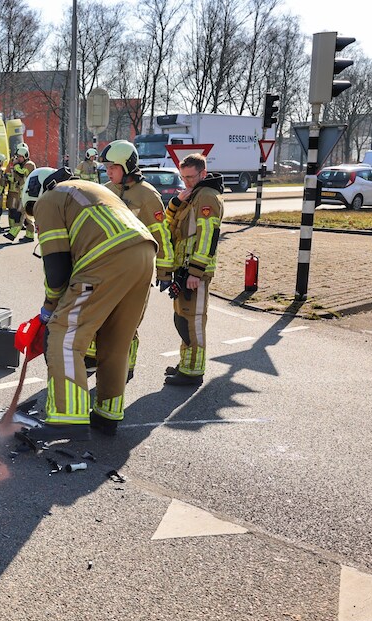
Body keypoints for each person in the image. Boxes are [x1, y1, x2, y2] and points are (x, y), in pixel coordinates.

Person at [23, 166, 157, 435]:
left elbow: (57, 267)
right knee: (116, 340)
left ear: (36, 191)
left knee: (64, 332)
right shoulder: (91, 189)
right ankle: (107, 415)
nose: (36, 220)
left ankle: (68, 418)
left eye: (32, 210)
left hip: (107, 257)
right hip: (143, 254)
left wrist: (50, 309)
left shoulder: (50, 198)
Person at [82, 140, 176, 379]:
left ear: (128, 166)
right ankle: (92, 358)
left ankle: (126, 367)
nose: (108, 171)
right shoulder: (105, 190)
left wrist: (165, 271)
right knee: (97, 314)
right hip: (106, 267)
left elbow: (160, 233)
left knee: (127, 321)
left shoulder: (147, 196)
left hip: (136, 270)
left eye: (113, 167)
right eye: (107, 167)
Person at [164, 153, 224, 387]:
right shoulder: (193, 195)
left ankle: (193, 371)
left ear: (203, 174)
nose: (186, 182)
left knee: (193, 321)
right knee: (183, 319)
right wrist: (176, 202)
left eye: (190, 177)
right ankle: (186, 364)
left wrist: (196, 272)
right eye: (183, 177)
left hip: (193, 272)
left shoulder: (207, 196)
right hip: (184, 269)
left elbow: (209, 235)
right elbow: (171, 225)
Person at [2, 143, 36, 242]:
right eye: (18, 157)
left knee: (19, 214)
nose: (19, 158)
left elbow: (22, 172)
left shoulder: (30, 165)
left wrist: (15, 165)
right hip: (23, 194)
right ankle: (29, 236)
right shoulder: (21, 165)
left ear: (25, 156)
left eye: (20, 157)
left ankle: (12, 234)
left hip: (28, 195)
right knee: (27, 217)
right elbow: (16, 177)